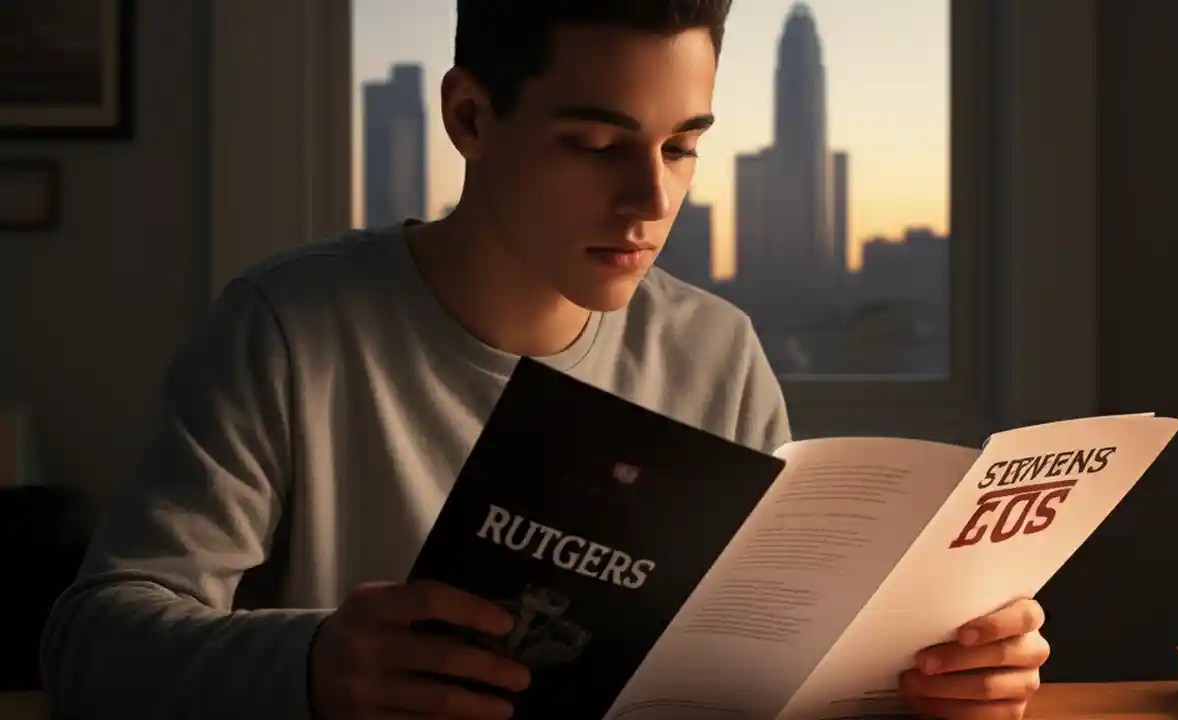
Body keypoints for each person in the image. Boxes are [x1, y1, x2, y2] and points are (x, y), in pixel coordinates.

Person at [39, 1, 1050, 718]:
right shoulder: (287, 327)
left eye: (680, 146)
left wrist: (933, 679)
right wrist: (311, 668)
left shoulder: (714, 350)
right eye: (593, 143)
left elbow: (759, 667)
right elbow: (91, 642)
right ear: (470, 118)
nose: (650, 202)